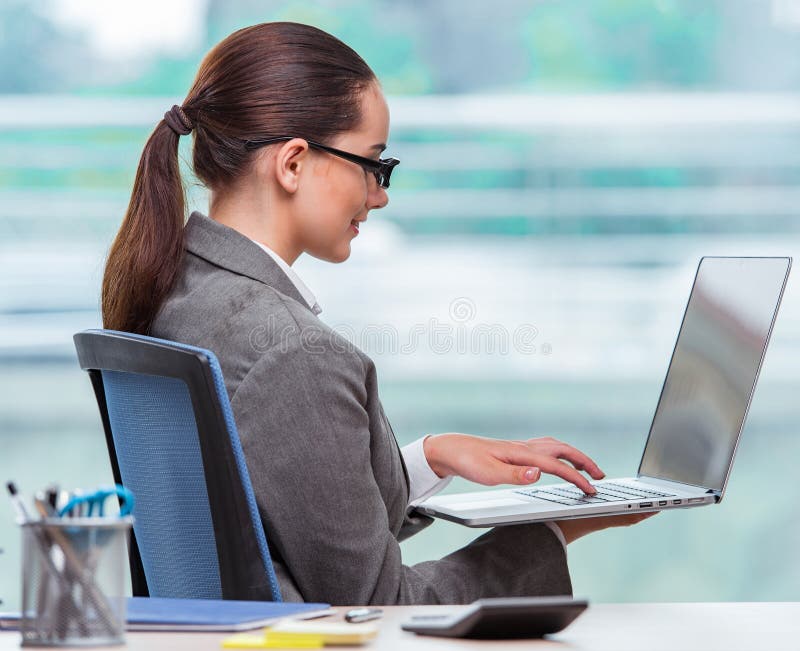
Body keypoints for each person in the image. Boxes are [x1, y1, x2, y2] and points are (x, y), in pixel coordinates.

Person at [101, 22, 651, 605]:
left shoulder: (177, 291)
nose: (380, 194)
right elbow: (381, 607)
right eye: (371, 164)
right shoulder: (293, 352)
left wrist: (432, 457)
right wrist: (554, 531)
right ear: (292, 164)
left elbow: (289, 521)